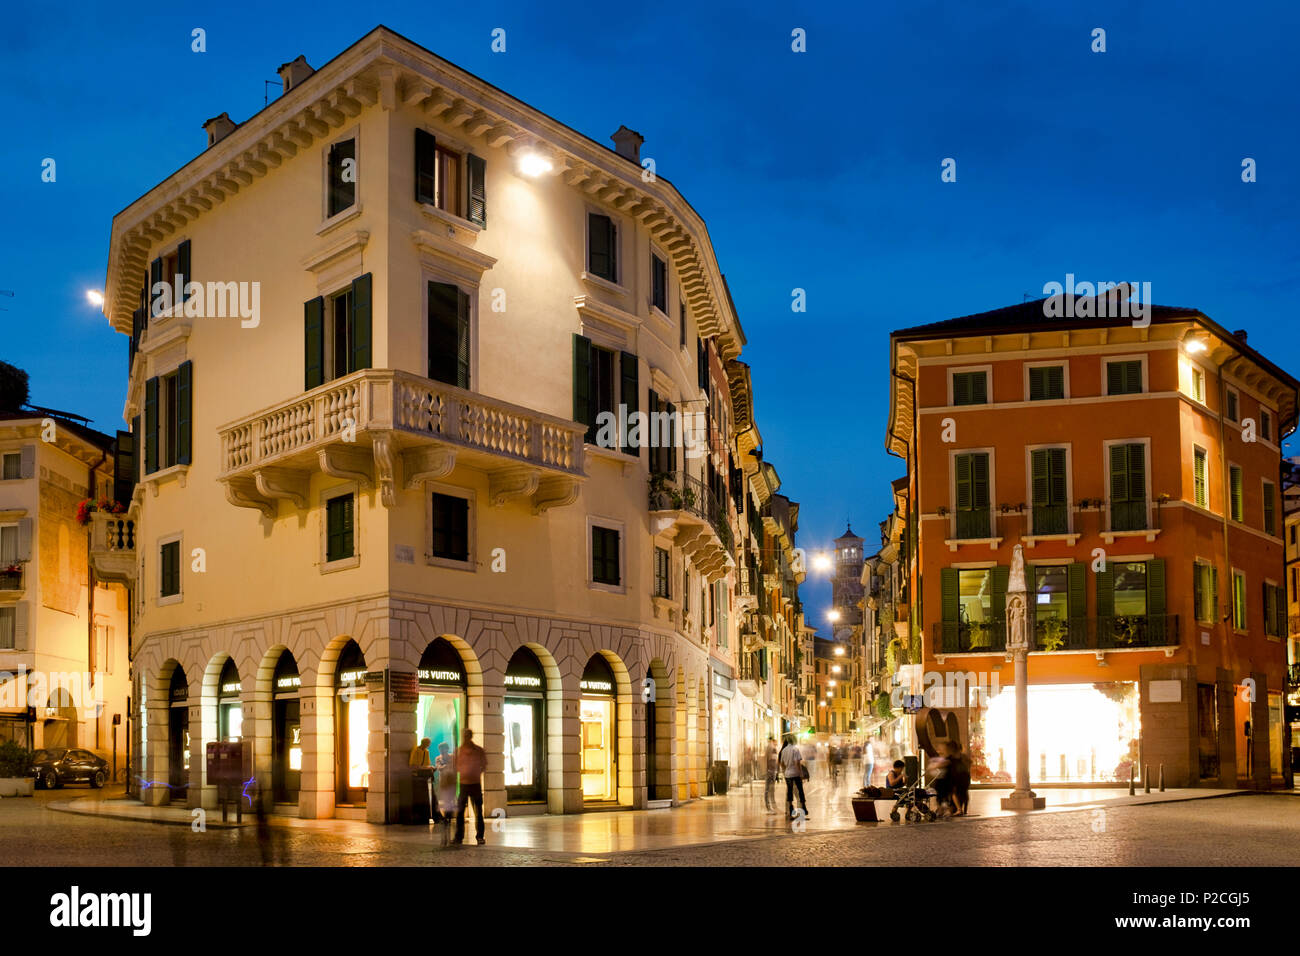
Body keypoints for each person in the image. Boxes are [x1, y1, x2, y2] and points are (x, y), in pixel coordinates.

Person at [454, 728, 488, 845]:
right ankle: (459, 837)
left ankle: (480, 836)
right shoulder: (458, 751)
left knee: (478, 811)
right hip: (463, 784)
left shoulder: (478, 750)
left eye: (467, 735)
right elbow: (455, 766)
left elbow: (484, 765)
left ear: (470, 736)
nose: (466, 738)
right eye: (464, 735)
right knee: (460, 812)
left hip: (475, 784)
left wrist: (476, 772)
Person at [779, 735, 809, 821]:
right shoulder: (795, 749)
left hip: (787, 774)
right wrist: (800, 773)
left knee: (789, 792)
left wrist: (785, 770)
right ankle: (803, 809)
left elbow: (782, 763)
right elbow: (797, 763)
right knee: (800, 792)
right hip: (795, 774)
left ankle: (790, 809)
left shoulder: (784, 750)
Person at [409, 737, 432, 822]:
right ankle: (419, 816)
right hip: (417, 776)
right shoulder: (416, 750)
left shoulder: (426, 752)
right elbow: (413, 765)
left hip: (423, 776)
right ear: (424, 743)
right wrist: (425, 768)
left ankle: (425, 816)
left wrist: (428, 768)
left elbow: (426, 764)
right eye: (428, 744)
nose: (428, 745)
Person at [433, 741, 456, 824]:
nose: (442, 751)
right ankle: (447, 816)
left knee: (451, 798)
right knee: (446, 799)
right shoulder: (438, 758)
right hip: (443, 781)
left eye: (443, 749)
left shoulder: (453, 757)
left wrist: (446, 766)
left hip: (452, 780)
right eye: (440, 749)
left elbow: (455, 767)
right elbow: (439, 768)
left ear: (447, 749)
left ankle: (449, 816)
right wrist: (447, 766)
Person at [946, 741, 971, 816]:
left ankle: (959, 809)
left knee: (953, 793)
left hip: (958, 776)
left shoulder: (955, 756)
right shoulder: (964, 756)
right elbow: (969, 763)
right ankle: (964, 809)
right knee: (965, 793)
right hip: (966, 776)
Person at [764, 736, 780, 813]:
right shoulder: (772, 748)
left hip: (770, 771)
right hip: (771, 771)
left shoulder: (768, 747)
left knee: (770, 789)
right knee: (769, 789)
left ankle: (772, 806)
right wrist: (774, 771)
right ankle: (770, 807)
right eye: (776, 742)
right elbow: (772, 760)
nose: (777, 744)